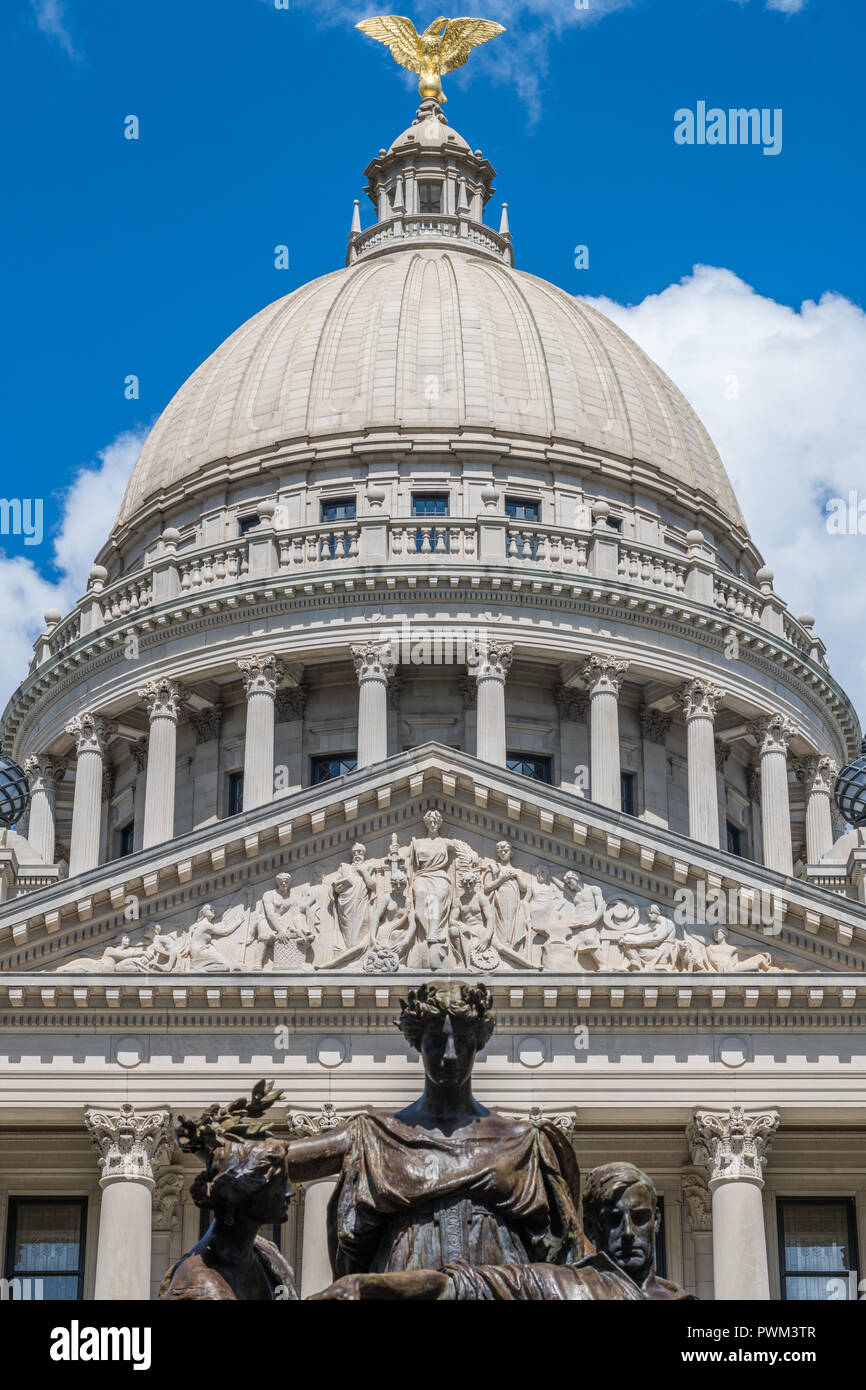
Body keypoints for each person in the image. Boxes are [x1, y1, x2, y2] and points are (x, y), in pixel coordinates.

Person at [285, 983, 583, 1280]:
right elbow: (274, 1161)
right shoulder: (374, 1136)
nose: (450, 1054)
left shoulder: (525, 1142)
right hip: (401, 1285)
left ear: (479, 1042)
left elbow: (566, 1257)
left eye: (463, 1039)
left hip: (501, 1286)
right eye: (437, 1040)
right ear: (417, 1043)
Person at [159, 1082, 298, 1301]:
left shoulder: (264, 1253)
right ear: (246, 1193)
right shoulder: (202, 1289)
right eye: (278, 1183)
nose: (290, 1192)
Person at [580, 1161, 696, 1299]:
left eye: (640, 1217)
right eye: (613, 1219)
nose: (628, 1232)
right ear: (589, 1228)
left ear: (657, 1220)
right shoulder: (567, 1289)